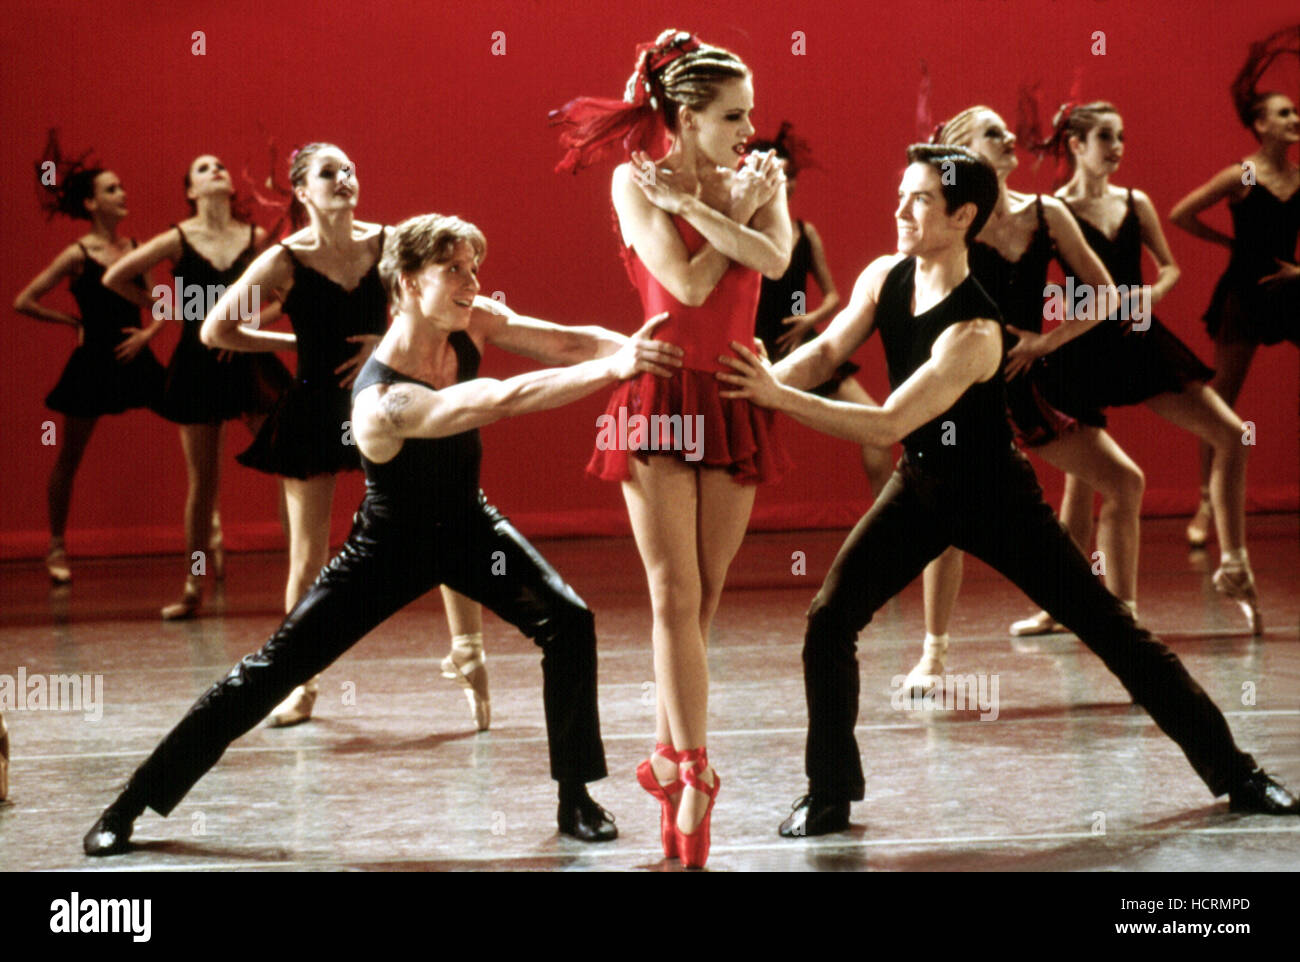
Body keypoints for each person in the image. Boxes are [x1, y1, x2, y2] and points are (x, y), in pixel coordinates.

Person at [715, 144, 1300, 837]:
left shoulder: (974, 329)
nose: (899, 208)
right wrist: (769, 382)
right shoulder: (883, 276)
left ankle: (1239, 774)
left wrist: (770, 401)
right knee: (829, 621)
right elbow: (823, 354)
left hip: (995, 496)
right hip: (921, 485)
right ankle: (829, 794)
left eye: (919, 199)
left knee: (1118, 637)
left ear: (964, 216)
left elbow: (888, 419)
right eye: (901, 194)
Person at [82, 212, 684, 856]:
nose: (471, 281)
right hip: (389, 548)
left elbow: (566, 342)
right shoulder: (379, 398)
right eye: (453, 269)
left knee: (569, 622)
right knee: (267, 673)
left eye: (474, 267)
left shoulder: (472, 320)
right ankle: (132, 803)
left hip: (469, 526)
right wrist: (615, 369)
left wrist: (644, 346)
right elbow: (500, 400)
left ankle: (576, 798)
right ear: (406, 280)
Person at [552, 28, 792, 867]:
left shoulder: (757, 178)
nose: (748, 132)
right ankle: (692, 770)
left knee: (704, 597)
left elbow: (777, 255)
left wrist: (701, 207)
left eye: (750, 115)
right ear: (685, 118)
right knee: (673, 592)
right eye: (732, 116)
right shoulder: (631, 179)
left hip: (729, 390)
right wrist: (721, 210)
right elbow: (687, 284)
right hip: (658, 392)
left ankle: (661, 754)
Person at [201, 142, 488, 728]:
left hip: (388, 396)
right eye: (330, 173)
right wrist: (296, 346)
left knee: (443, 521)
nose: (345, 179)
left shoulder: (392, 241)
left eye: (352, 169)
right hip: (313, 408)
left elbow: (442, 302)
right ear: (303, 191)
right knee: (307, 557)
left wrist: (382, 348)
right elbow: (216, 330)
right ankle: (297, 684)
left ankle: (468, 654)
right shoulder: (285, 259)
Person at [1042, 102, 1262, 634]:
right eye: (1105, 137)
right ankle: (1062, 605)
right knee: (1080, 483)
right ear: (1075, 144)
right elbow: (1035, 281)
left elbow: (1170, 268)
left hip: (1137, 338)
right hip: (1079, 345)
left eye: (1122, 137)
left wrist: (1148, 294)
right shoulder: (1051, 210)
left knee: (1231, 434)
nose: (1117, 147)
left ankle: (1233, 562)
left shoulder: (1135, 202)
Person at [103, 154, 293, 619]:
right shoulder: (178, 237)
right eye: (204, 169)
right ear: (191, 190)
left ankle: (302, 581)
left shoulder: (256, 239)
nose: (217, 171)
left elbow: (286, 297)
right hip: (197, 363)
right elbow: (115, 276)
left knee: (290, 465)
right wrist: (173, 306)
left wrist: (248, 327)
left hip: (248, 360)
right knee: (203, 484)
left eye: (221, 167)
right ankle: (193, 584)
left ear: (230, 186)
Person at [14, 131, 166, 585]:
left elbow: (163, 303)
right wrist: (70, 322)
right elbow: (24, 300)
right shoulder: (77, 254)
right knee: (70, 455)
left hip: (134, 353)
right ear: (91, 204)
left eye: (120, 188)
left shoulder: (138, 247)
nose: (122, 195)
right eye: (112, 189)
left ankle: (208, 533)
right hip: (94, 361)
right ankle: (56, 546)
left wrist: (148, 335)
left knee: (195, 415)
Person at [1170, 43, 1299, 549]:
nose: (1295, 118)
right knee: (1221, 402)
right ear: (1261, 125)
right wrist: (1228, 243)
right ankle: (1206, 499)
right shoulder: (1244, 174)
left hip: (1290, 292)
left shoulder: (1298, 177)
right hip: (1245, 295)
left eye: (1295, 112)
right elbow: (1181, 213)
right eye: (1285, 113)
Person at [750, 122, 892, 495]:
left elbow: (832, 296)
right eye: (779, 175)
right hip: (749, 354)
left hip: (804, 348)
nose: (788, 183)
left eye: (792, 175)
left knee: (876, 429)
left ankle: (889, 521)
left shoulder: (804, 233)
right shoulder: (739, 232)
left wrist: (809, 321)